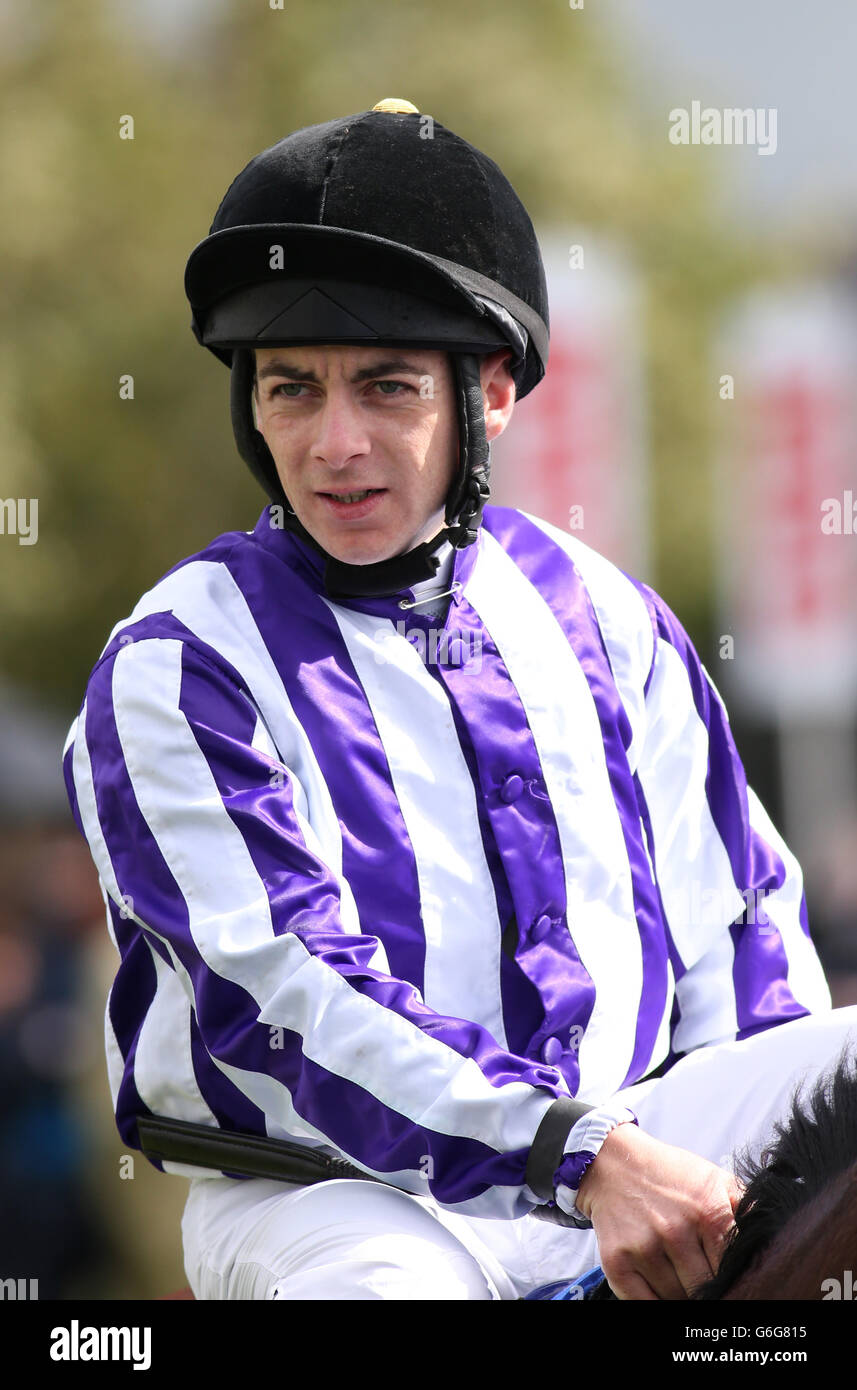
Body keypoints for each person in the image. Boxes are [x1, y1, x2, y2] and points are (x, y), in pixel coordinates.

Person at [62, 98, 855, 1301]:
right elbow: (289, 997)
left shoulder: (610, 617)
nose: (333, 444)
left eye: (385, 389)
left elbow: (741, 939)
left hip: (635, 1140)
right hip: (339, 1203)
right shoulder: (178, 662)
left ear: (489, 393)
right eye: (290, 389)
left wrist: (775, 1192)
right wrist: (578, 1155)